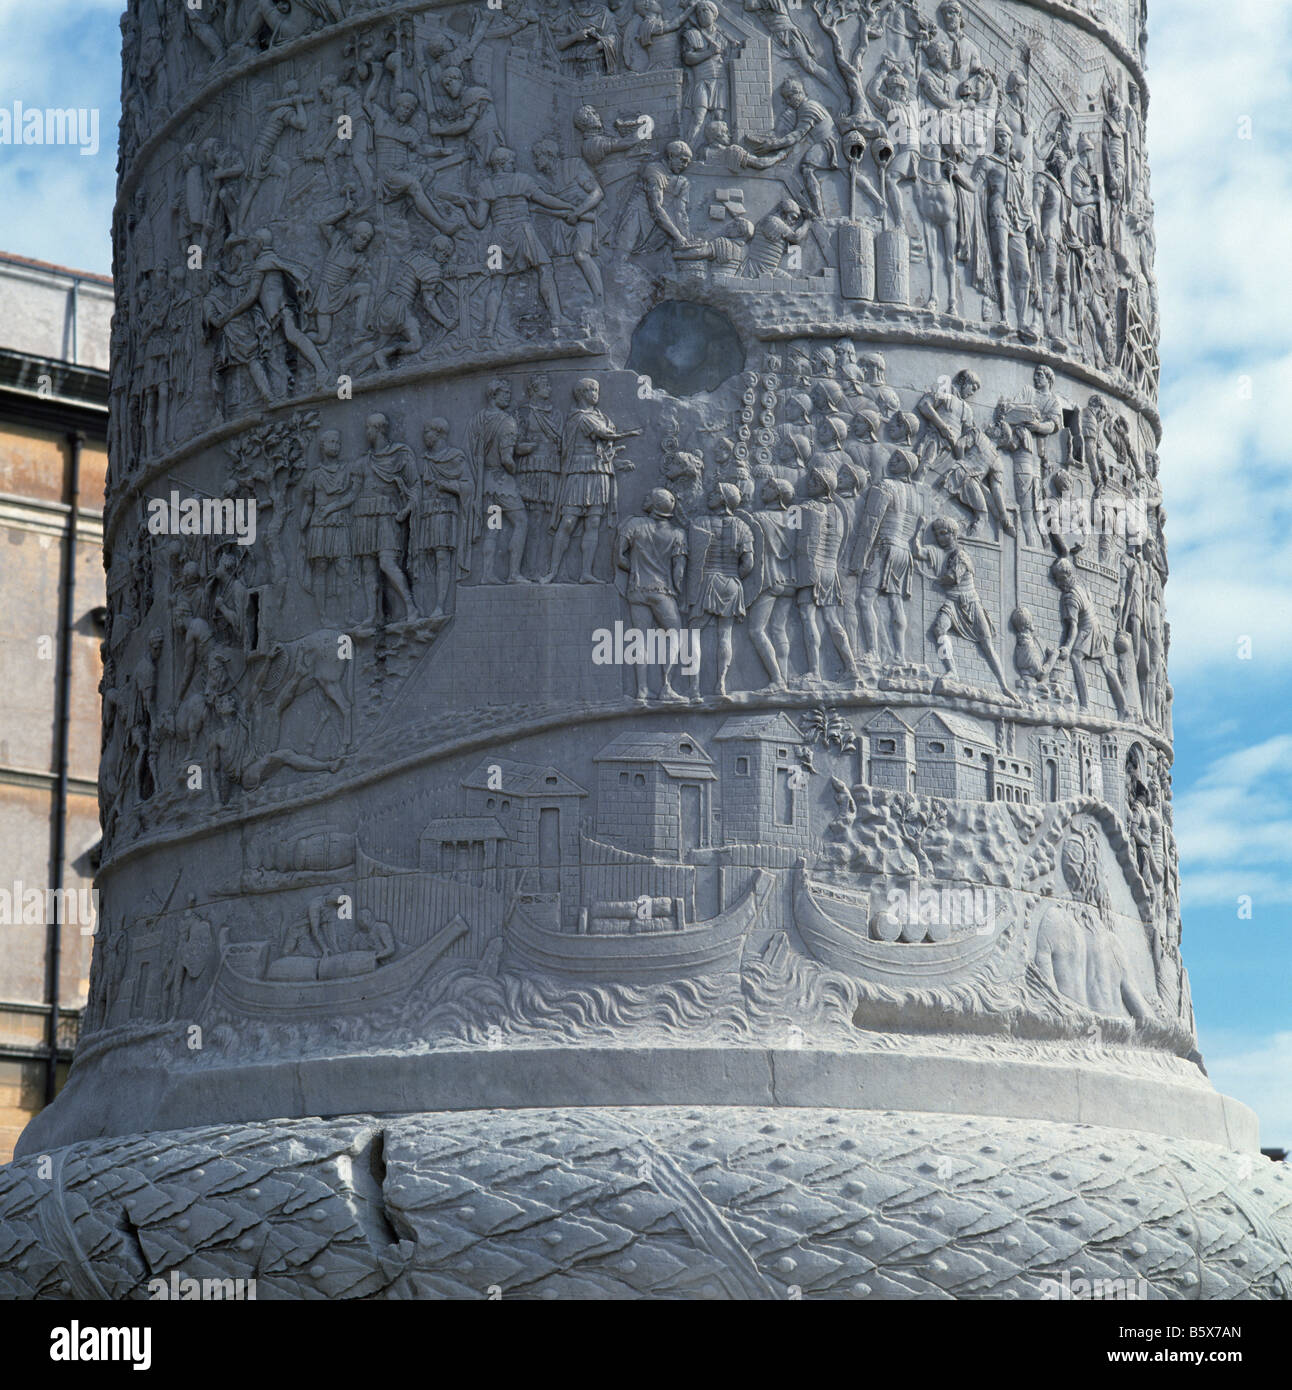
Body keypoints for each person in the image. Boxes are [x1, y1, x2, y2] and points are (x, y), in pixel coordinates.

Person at [616, 489, 689, 702]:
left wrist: (635, 570)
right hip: (662, 592)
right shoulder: (678, 534)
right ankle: (666, 686)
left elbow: (620, 558)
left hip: (637, 590)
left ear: (655, 504)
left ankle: (642, 690)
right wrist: (678, 590)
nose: (644, 498)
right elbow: (679, 570)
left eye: (649, 497)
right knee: (674, 634)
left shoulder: (633, 525)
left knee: (641, 640)